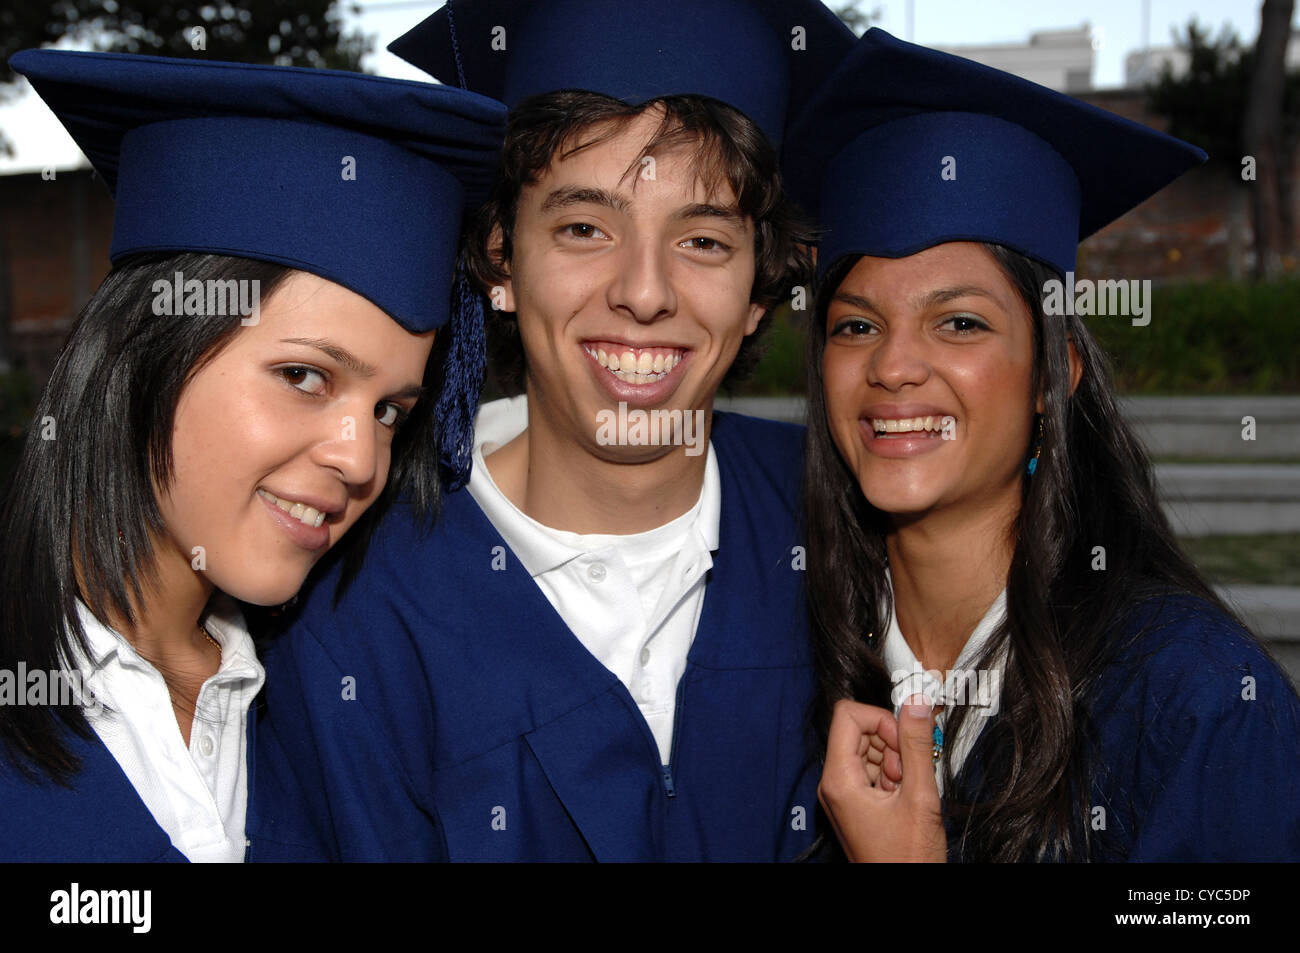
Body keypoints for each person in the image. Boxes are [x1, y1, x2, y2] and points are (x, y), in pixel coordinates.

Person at [250, 0, 855, 861]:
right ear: (500, 256)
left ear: (762, 288)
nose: (645, 293)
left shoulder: (842, 522)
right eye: (583, 227)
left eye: (705, 240)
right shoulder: (355, 606)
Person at [783, 29, 1300, 861]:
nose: (893, 365)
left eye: (960, 322)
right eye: (855, 324)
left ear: (1051, 376)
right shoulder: (785, 661)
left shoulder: (1195, 705)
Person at [0, 49, 505, 861]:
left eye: (389, 411)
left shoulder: (339, 703)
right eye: (304, 375)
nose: (362, 458)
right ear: (142, 349)